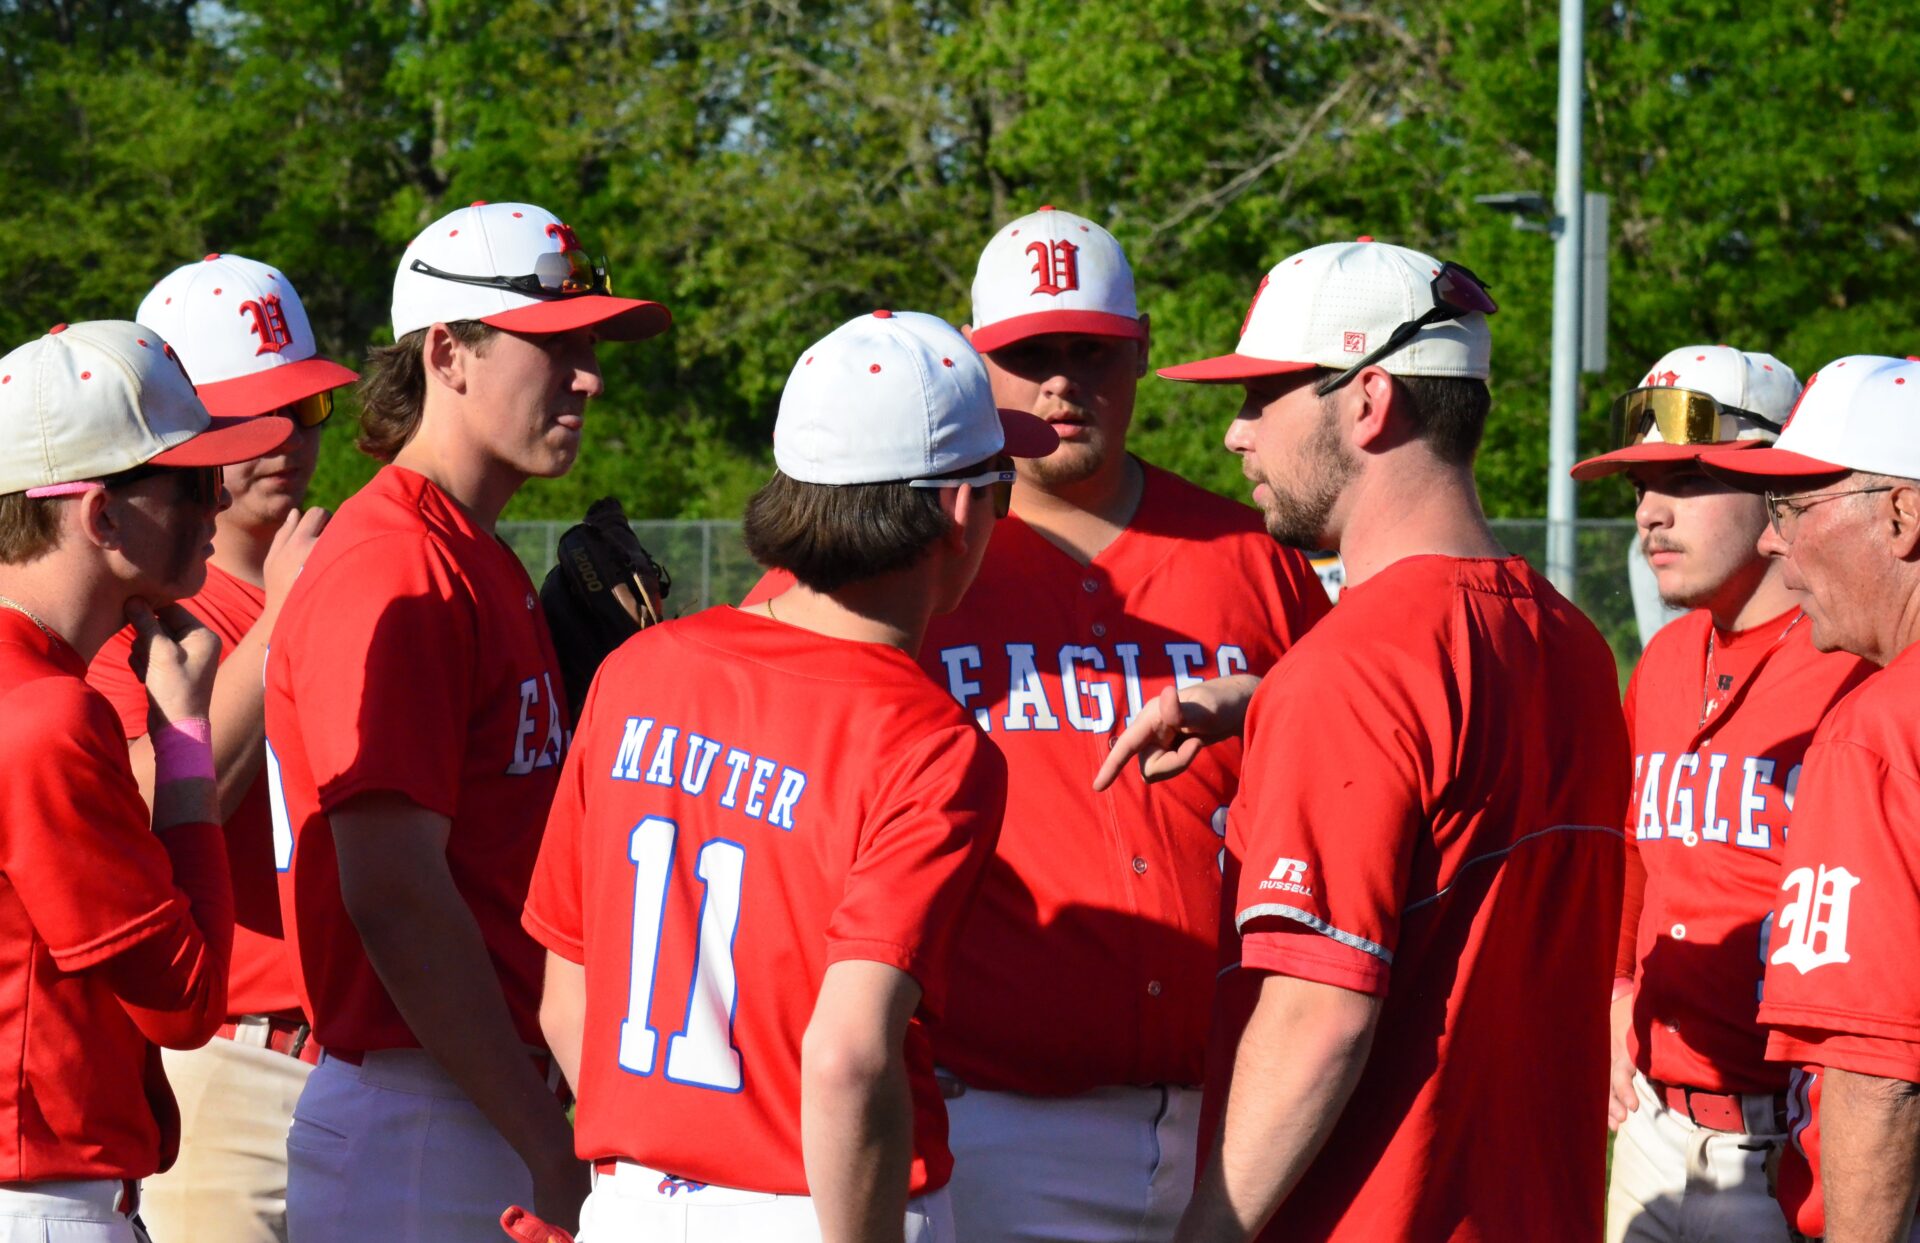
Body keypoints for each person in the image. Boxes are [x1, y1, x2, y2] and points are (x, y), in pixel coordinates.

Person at [743, 206, 1331, 1239]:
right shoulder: (909, 549)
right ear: (976, 366)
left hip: (1239, 1111)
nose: (1061, 380)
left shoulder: (1252, 548)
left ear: (1140, 351)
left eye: (1090, 351)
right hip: (995, 1117)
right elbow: (755, 715)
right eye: (1028, 354)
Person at [1101, 238, 1632, 1241]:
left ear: (1369, 401)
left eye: (1264, 396)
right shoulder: (1573, 643)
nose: (1234, 434)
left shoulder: (1348, 671)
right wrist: (1268, 701)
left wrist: (1208, 1231)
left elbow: (1319, 1016)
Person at [526, 308, 1054, 1242]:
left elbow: (568, 995)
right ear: (961, 510)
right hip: (817, 1205)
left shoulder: (640, 668)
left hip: (629, 1200)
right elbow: (849, 1057)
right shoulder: (930, 740)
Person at [262, 200, 670, 1241]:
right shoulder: (394, 561)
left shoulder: (474, 549)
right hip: (427, 1107)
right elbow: (395, 894)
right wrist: (543, 1136)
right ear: (446, 351)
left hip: (469, 1086)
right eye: (554, 343)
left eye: (588, 343)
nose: (588, 374)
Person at [1567, 345, 1875, 1243]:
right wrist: (1617, 982)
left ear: (1778, 483)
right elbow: (1634, 848)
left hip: (1794, 1147)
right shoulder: (1663, 659)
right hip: (1655, 1129)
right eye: (1638, 486)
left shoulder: (1859, 662)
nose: (1650, 513)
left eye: (1687, 478)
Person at [0, 320, 291, 1240]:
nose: (218, 506)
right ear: (101, 516)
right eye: (194, 483)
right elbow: (186, 1000)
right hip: (44, 1200)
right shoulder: (50, 712)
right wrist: (186, 741)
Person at [83, 254, 354, 1243]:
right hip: (227, 1067)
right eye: (247, 420)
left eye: (304, 411)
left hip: (367, 1065)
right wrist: (286, 618)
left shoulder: (354, 579)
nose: (282, 440)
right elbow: (155, 820)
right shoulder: (134, 612)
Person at [1700, 355, 1920, 1243]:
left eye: (1794, 506)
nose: (1769, 540)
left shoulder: (1879, 729)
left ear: (1903, 514)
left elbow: (1881, 1072)